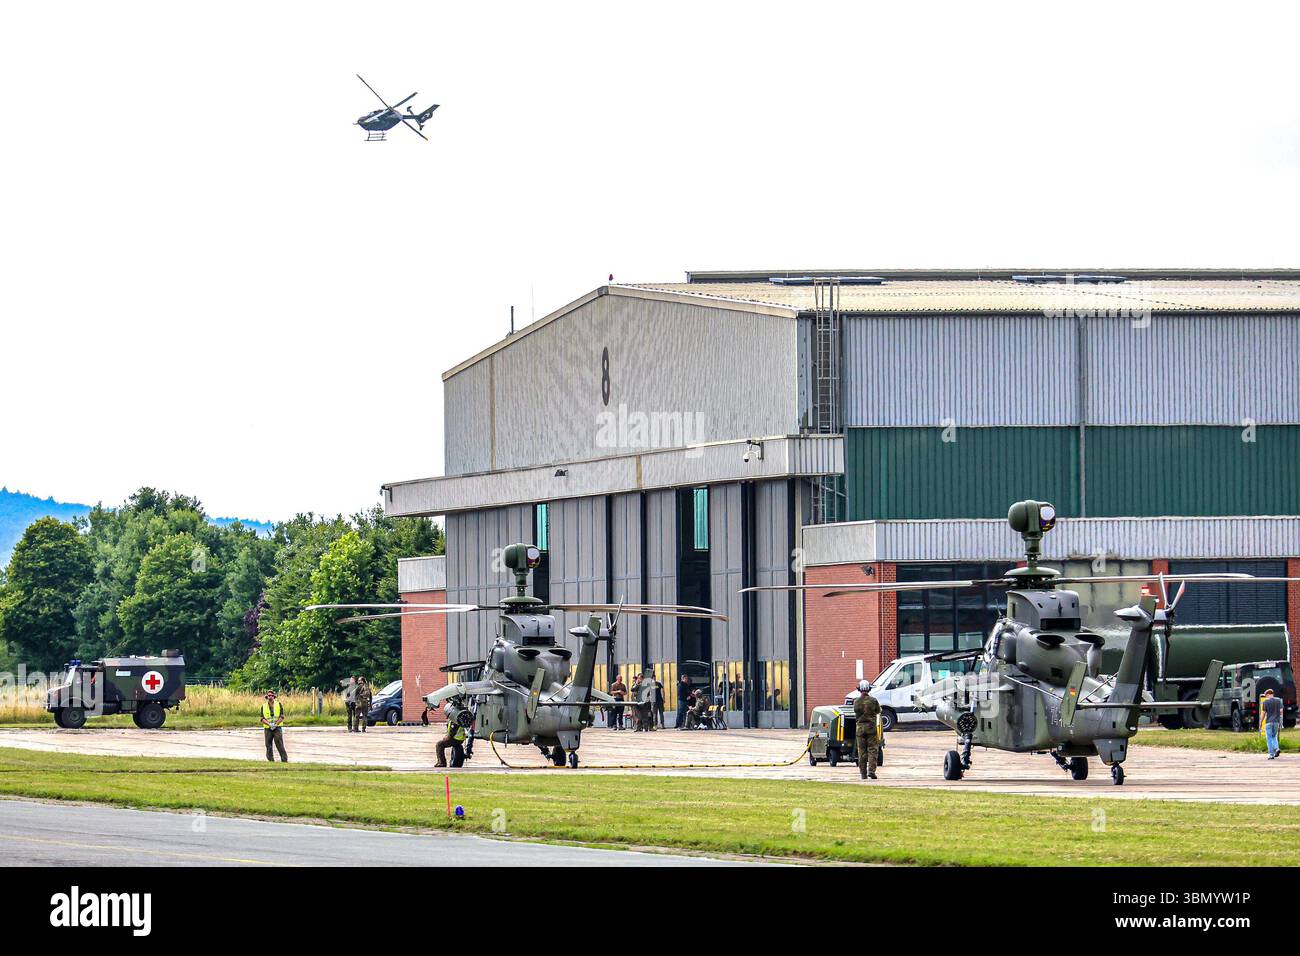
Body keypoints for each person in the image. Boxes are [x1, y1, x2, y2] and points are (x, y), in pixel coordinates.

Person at [853, 679, 881, 780]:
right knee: (872, 750)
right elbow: (878, 711)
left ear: (859, 689)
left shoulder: (856, 701)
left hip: (860, 729)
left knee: (861, 752)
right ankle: (871, 771)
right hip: (871, 728)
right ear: (869, 689)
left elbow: (855, 711)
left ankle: (863, 773)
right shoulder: (873, 701)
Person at [261, 691, 288, 763]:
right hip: (268, 728)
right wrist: (269, 724)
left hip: (277, 728)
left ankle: (284, 760)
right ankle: (271, 761)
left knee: (279, 744)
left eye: (272, 696)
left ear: (274, 697)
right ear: (267, 697)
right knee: (268, 745)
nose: (270, 697)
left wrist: (275, 724)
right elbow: (262, 719)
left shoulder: (278, 704)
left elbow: (282, 716)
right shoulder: (263, 706)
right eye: (269, 695)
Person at [1262, 688, 1284, 759]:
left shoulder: (1265, 702)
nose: (1266, 697)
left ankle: (1271, 754)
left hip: (1269, 722)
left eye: (1266, 695)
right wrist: (1281, 722)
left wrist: (1261, 722)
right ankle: (1277, 749)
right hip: (1276, 722)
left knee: (1269, 738)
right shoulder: (1278, 701)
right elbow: (1281, 711)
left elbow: (1263, 713)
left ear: (1268, 694)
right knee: (1274, 737)